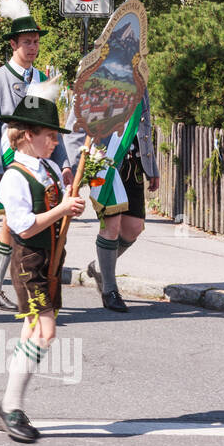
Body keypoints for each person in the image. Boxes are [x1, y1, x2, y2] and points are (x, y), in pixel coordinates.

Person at [0, 81, 85, 443]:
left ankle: (9, 407)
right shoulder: (15, 177)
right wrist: (62, 208)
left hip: (49, 259)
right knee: (46, 334)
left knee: (32, 331)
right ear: (28, 135)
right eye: (49, 134)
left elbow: (53, 212)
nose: (56, 141)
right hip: (29, 263)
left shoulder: (45, 167)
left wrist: (70, 203)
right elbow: (24, 226)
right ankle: (10, 406)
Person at [0, 0, 72, 312]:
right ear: (13, 45)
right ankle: (5, 289)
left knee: (19, 227)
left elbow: (50, 127)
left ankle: (2, 288)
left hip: (38, 165)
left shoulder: (43, 79)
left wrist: (65, 164)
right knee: (17, 226)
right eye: (26, 42)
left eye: (36, 42)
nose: (32, 47)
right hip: (9, 164)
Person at [65, 87, 160, 313]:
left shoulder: (139, 80)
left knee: (133, 229)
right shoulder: (95, 79)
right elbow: (75, 127)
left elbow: (143, 127)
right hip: (104, 164)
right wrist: (71, 168)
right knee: (112, 225)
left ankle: (100, 266)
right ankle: (110, 289)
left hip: (133, 164)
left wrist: (151, 167)